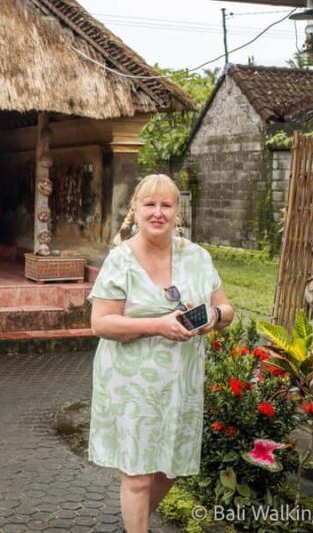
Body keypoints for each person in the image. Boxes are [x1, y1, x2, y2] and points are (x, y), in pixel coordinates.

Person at [88, 174, 233, 533]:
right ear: (135, 210)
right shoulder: (120, 261)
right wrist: (158, 325)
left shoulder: (197, 256)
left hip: (180, 384)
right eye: (149, 204)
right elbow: (101, 323)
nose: (157, 213)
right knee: (137, 475)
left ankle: (132, 523)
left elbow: (227, 309)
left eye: (165, 205)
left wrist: (211, 317)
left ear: (176, 212)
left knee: (172, 468)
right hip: (131, 384)